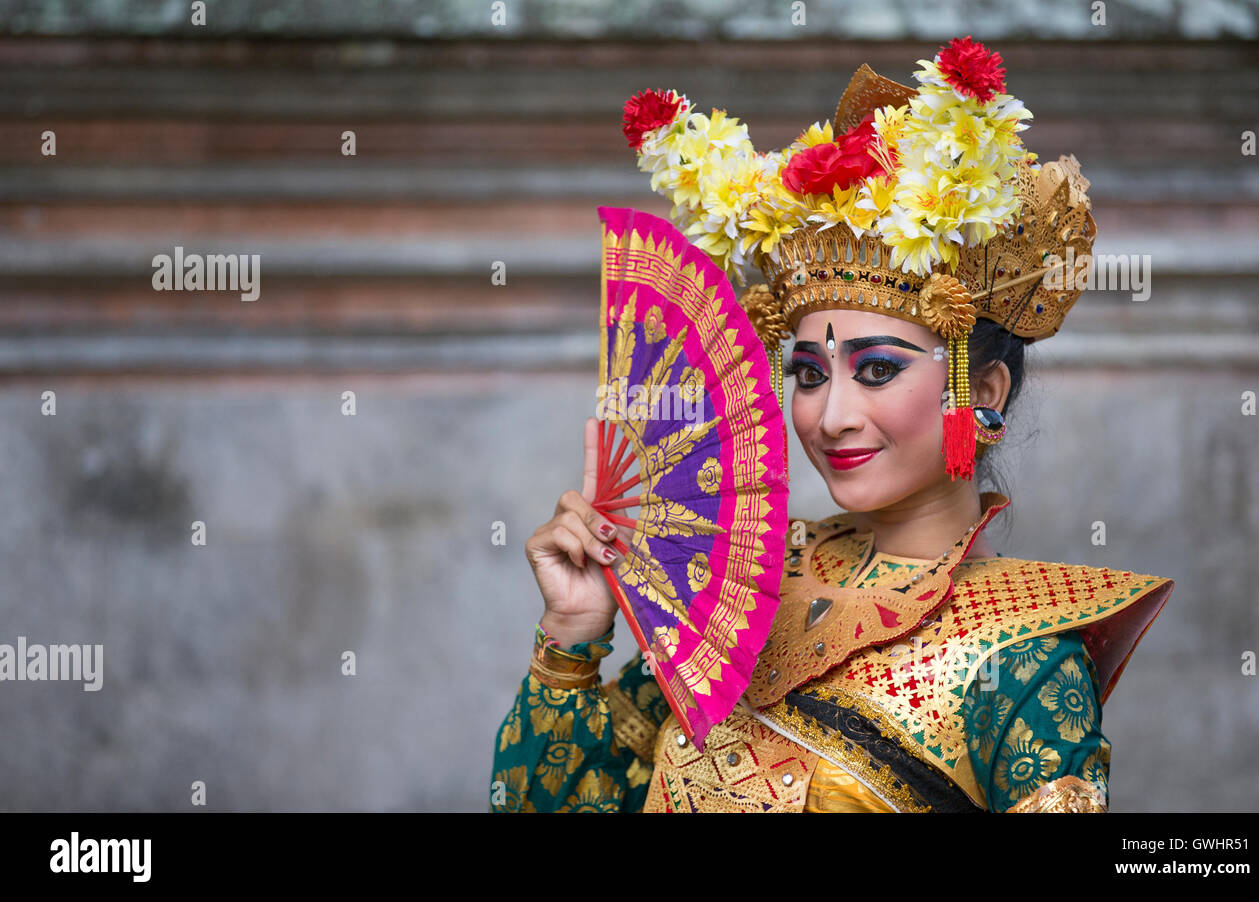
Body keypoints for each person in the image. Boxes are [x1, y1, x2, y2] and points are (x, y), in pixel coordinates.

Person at [491, 37, 1173, 812]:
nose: (832, 415)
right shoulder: (737, 586)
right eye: (809, 374)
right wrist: (574, 637)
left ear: (980, 389)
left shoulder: (1021, 657)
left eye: (877, 369)